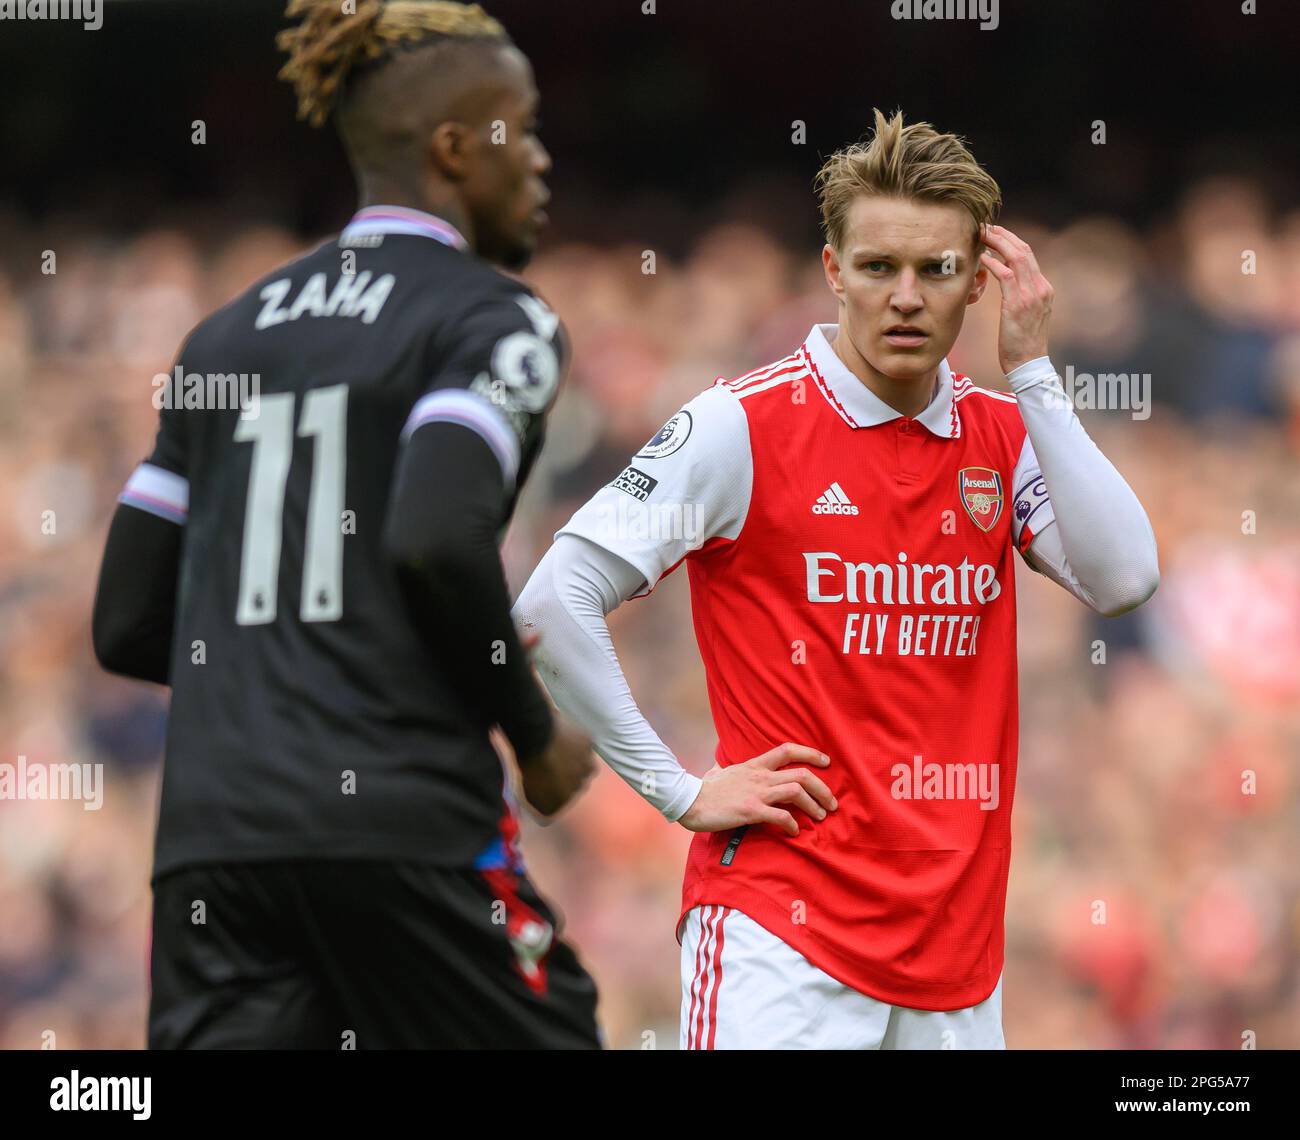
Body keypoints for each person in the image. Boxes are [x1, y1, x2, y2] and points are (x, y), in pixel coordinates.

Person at [514, 109, 1160, 1049]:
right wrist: (680, 792)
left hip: (956, 954)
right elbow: (550, 599)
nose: (905, 296)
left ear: (977, 280)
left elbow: (1127, 579)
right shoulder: (741, 427)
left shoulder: (1002, 437)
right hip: (783, 937)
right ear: (832, 271)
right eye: (876, 268)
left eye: (936, 270)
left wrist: (1034, 375)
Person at [92, 0, 600, 1049]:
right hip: (398, 825)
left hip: (215, 843)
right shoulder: (492, 318)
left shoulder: (220, 338)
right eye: (525, 127)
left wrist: (284, 674)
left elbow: (128, 622)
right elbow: (434, 539)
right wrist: (538, 737)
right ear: (456, 148)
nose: (543, 159)